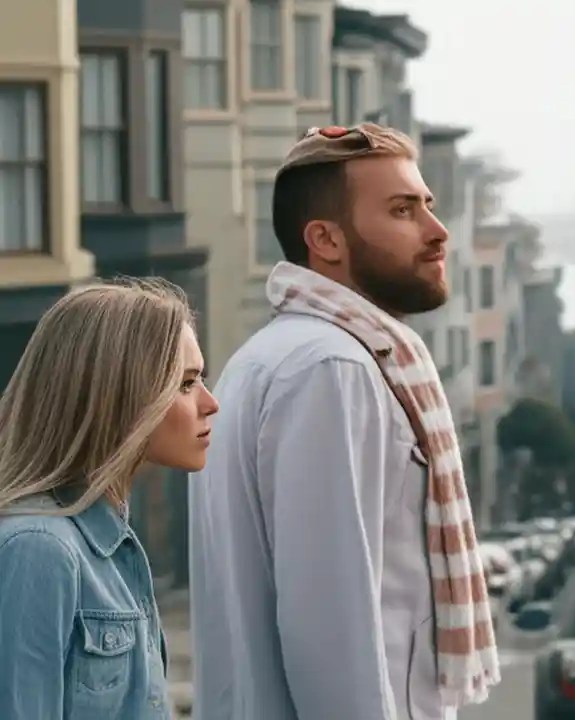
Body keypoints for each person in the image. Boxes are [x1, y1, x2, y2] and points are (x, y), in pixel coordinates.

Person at [188, 123, 499, 720]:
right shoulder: (331, 369)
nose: (438, 233)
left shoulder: (284, 356)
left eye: (428, 207)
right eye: (403, 210)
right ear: (325, 239)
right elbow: (330, 622)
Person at [0, 279, 219, 719]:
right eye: (186, 383)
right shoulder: (39, 549)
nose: (210, 403)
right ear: (120, 395)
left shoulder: (114, 543)